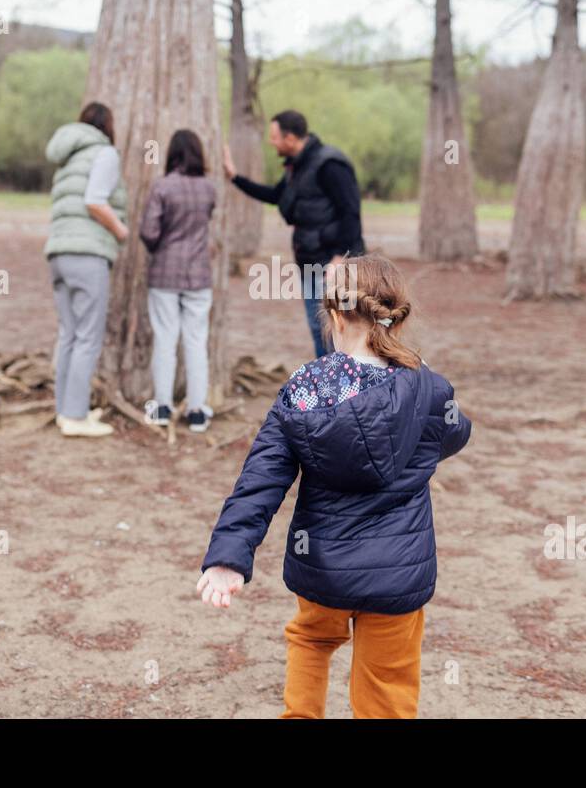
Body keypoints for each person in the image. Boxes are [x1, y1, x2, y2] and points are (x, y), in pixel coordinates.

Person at [195, 254, 472, 718]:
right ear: (392, 314)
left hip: (322, 565)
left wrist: (229, 556)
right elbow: (457, 434)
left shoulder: (305, 389)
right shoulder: (427, 386)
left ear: (335, 314)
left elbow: (262, 476)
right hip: (398, 572)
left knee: (310, 638)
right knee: (389, 678)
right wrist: (424, 384)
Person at [223, 109, 364, 358]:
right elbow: (275, 196)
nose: (271, 142)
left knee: (341, 331)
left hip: (334, 265)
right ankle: (327, 388)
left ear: (290, 138)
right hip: (309, 262)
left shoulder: (330, 164)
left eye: (274, 137)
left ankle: (348, 391)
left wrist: (340, 258)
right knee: (319, 329)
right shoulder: (296, 168)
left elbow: (351, 212)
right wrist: (235, 178)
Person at [43, 101, 129, 438]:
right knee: (88, 337)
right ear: (107, 125)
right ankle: (76, 417)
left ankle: (65, 410)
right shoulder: (104, 153)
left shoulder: (67, 158)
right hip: (87, 253)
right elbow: (95, 201)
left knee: (68, 333)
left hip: (58, 253)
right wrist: (121, 231)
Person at [139, 129, 218, 433]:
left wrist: (160, 245)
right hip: (198, 275)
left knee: (165, 338)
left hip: (164, 274)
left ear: (171, 153)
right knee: (196, 341)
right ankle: (197, 411)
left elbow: (148, 231)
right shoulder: (209, 189)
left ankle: (161, 407)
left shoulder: (162, 187)